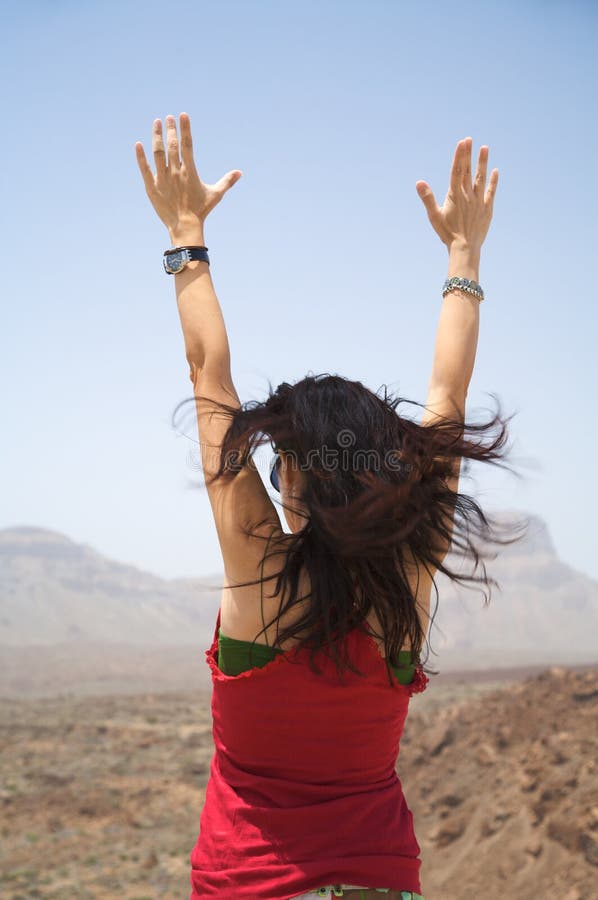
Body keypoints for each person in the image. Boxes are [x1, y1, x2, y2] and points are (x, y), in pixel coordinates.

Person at [135, 115, 522, 900]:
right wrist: (463, 256)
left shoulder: (258, 569)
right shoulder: (405, 581)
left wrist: (185, 232)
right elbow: (446, 398)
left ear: (293, 481)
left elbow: (209, 374)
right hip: (380, 881)